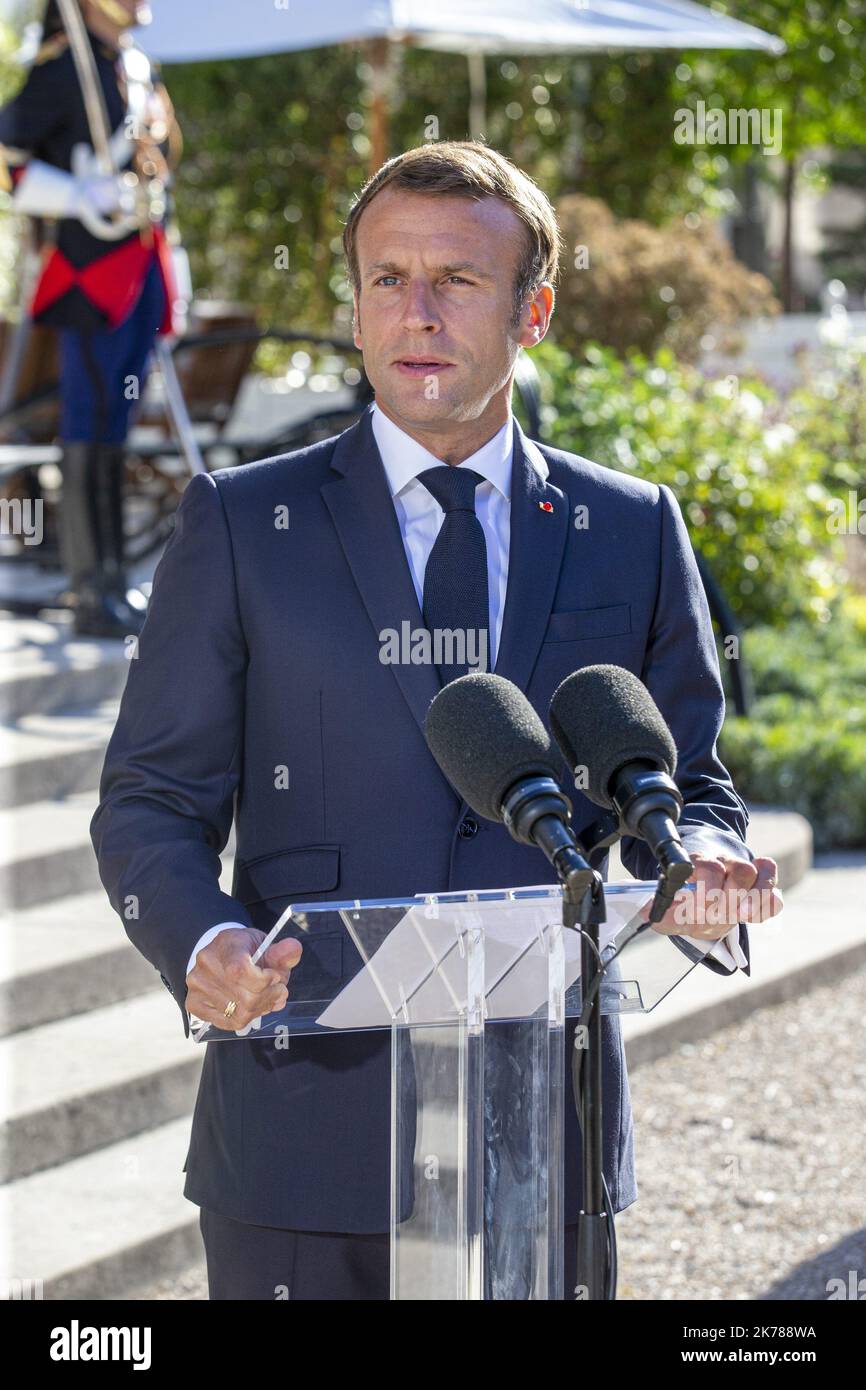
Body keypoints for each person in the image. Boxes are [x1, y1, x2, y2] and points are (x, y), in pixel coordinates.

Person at [90, 141, 783, 1300]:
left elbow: (689, 779)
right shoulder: (238, 523)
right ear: (354, 309)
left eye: (457, 281)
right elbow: (152, 799)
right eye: (385, 279)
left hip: (544, 1143)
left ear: (533, 312)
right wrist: (203, 940)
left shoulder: (629, 527)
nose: (416, 313)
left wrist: (703, 859)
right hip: (301, 1148)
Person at [0, 0, 182, 637]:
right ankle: (87, 589)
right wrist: (77, 195)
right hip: (89, 274)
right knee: (90, 417)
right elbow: (8, 155)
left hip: (138, 262)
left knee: (116, 426)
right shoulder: (58, 69)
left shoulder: (134, 65)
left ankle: (112, 580)